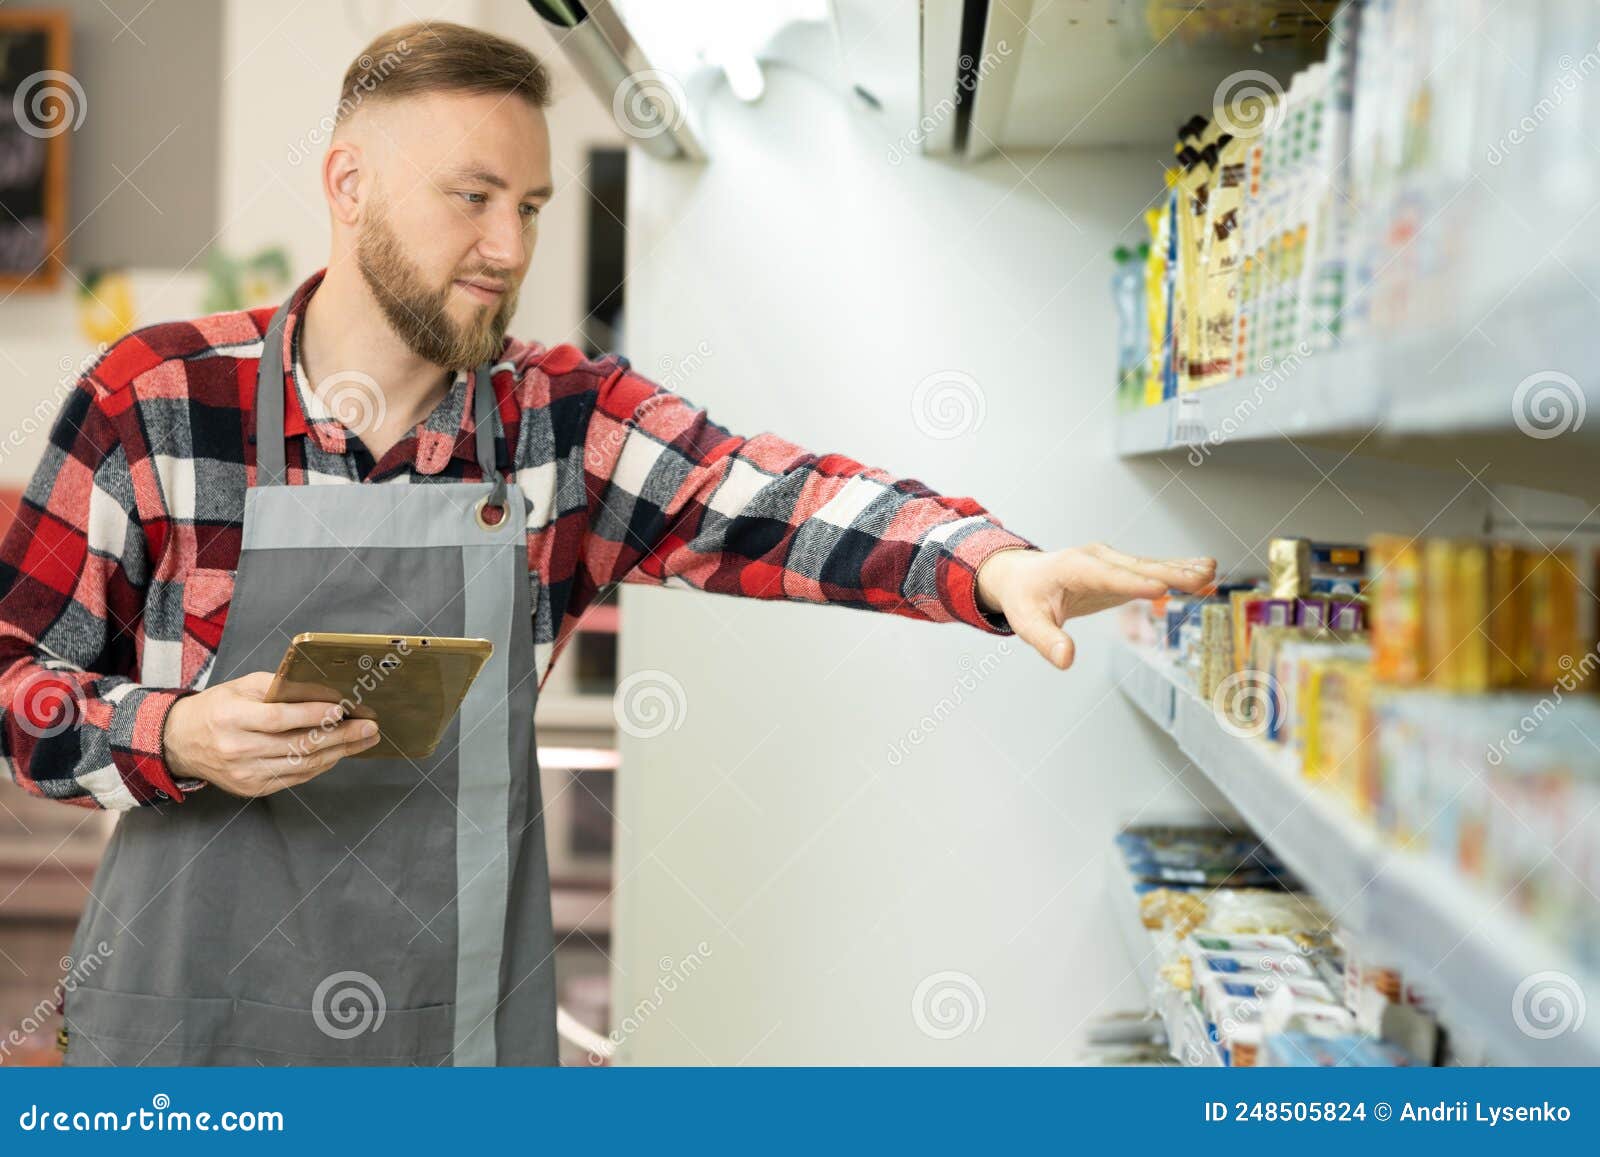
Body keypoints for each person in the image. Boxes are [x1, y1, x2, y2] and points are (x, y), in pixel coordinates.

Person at [0, 21, 1214, 1066]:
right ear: (349, 181)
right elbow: (16, 684)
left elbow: (771, 496)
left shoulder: (558, 423)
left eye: (527, 207)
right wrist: (174, 731)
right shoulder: (154, 396)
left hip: (452, 1029)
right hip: (185, 1032)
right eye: (470, 197)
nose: (510, 249)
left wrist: (991, 564)